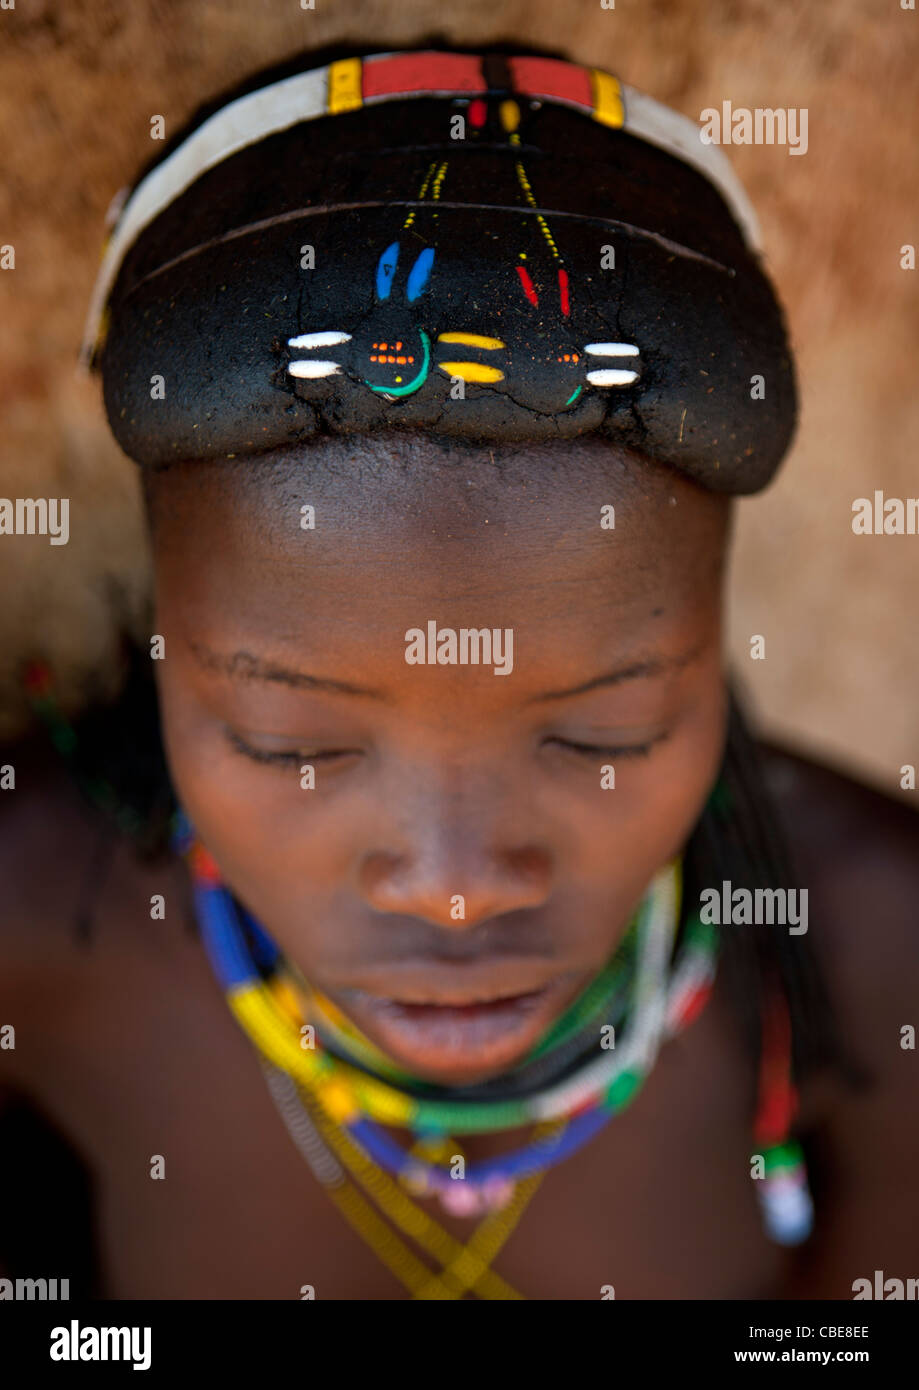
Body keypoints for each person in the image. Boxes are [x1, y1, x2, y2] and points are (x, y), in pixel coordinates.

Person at [1, 37, 917, 1302]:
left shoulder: (878, 946)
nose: (454, 891)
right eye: (290, 741)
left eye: (608, 735)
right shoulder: (40, 923)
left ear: (713, 651)